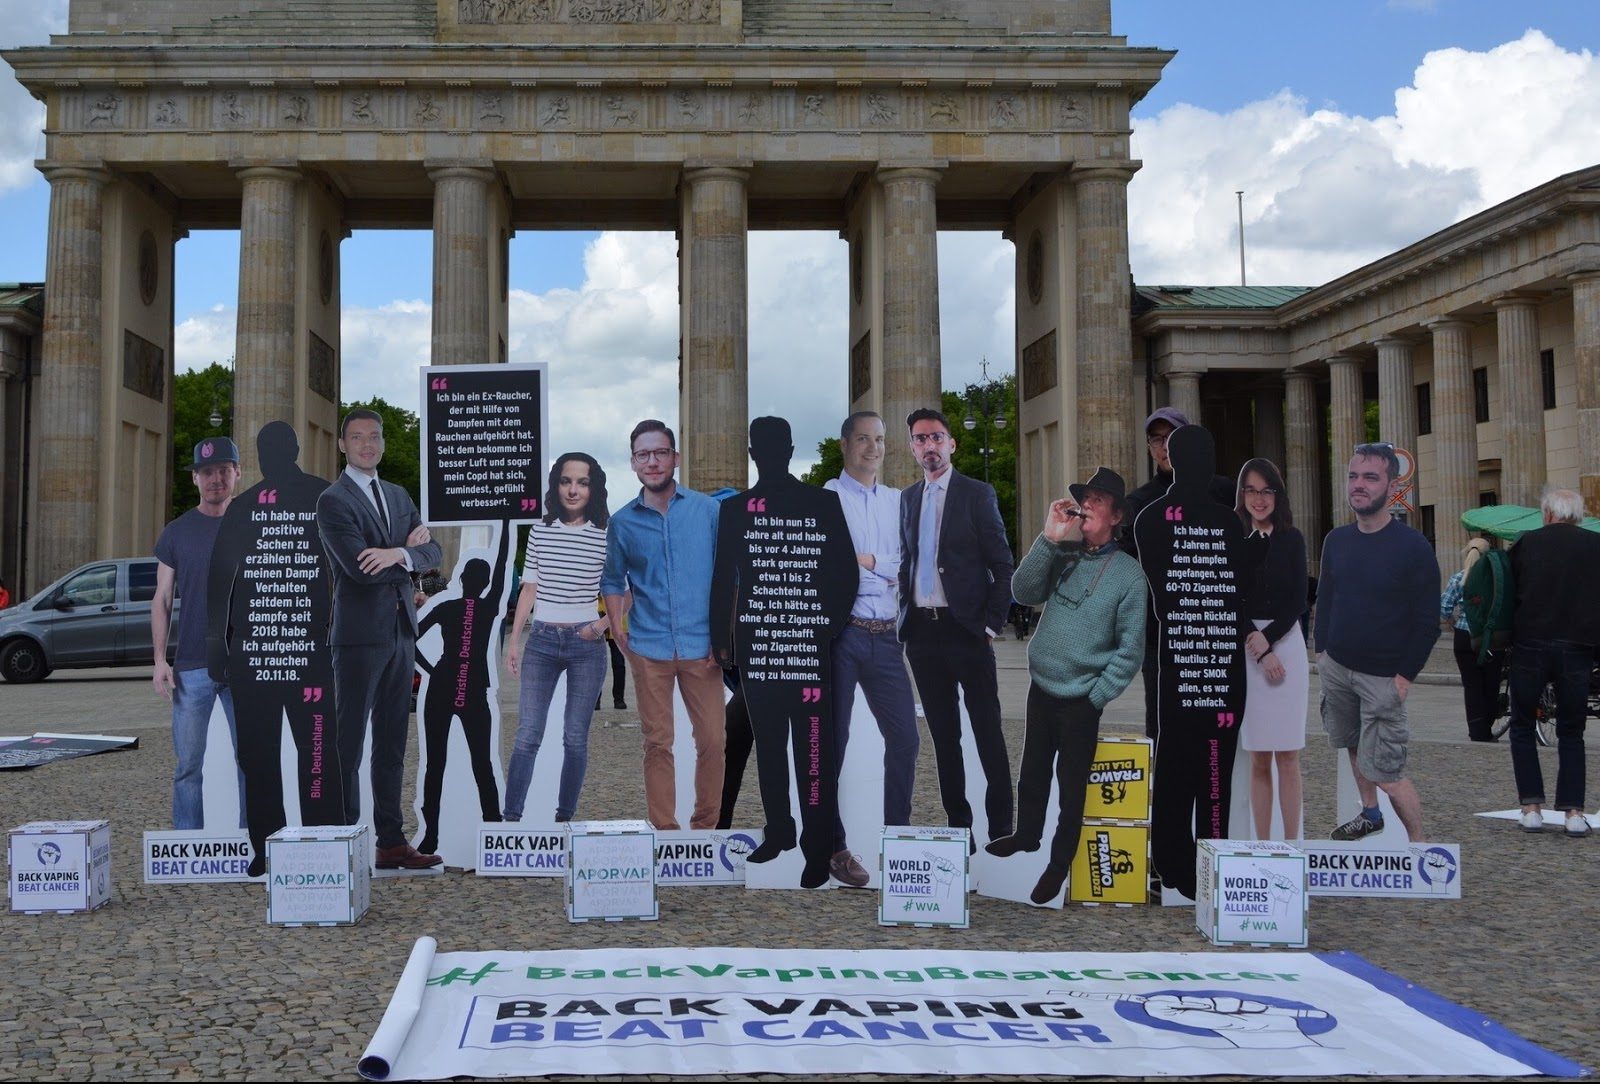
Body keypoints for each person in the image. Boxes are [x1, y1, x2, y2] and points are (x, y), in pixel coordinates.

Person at [711, 416, 856, 887]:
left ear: (762, 451)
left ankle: (809, 844)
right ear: (781, 450)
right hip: (775, 647)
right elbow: (724, 580)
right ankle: (785, 834)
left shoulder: (818, 503)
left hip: (793, 645)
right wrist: (825, 625)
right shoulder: (740, 510)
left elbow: (844, 572)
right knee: (786, 748)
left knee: (803, 748)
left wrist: (824, 627)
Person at [991, 468, 1146, 905]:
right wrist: (1049, 538)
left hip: (1082, 698)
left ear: (1116, 516)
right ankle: (1026, 836)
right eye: (1087, 498)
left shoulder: (1129, 577)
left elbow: (1130, 650)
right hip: (1042, 687)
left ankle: (1059, 864)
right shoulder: (1064, 553)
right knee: (1033, 773)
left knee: (1071, 784)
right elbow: (1022, 593)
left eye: (1099, 500)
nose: (1089, 505)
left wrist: (1096, 696)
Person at [208, 422, 345, 876]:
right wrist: (217, 644)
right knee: (260, 754)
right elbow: (221, 580)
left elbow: (347, 568)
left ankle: (321, 838)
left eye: (275, 449)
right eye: (267, 450)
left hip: (308, 649)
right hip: (259, 652)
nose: (271, 457)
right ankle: (268, 846)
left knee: (315, 748)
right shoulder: (247, 507)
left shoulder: (324, 499)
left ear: (291, 451)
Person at [316, 408, 443, 870]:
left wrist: (397, 553)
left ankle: (390, 843)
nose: (367, 444)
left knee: (391, 745)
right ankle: (343, 843)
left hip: (402, 633)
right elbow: (357, 567)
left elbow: (434, 553)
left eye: (374, 436)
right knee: (347, 746)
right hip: (357, 638)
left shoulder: (397, 494)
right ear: (342, 445)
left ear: (383, 443)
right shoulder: (333, 501)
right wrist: (409, 558)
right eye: (357, 437)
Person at [601, 420, 725, 830]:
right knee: (657, 743)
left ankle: (705, 827)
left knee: (712, 740)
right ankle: (665, 832)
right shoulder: (622, 522)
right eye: (643, 454)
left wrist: (723, 636)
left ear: (674, 457)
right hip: (649, 647)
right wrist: (619, 630)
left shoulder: (709, 512)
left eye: (660, 453)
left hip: (702, 647)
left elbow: (729, 575)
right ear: (633, 462)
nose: (652, 462)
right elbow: (612, 578)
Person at [899, 407, 1015, 847]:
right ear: (912, 447)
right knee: (945, 738)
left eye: (937, 437)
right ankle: (959, 827)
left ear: (952, 444)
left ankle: (1002, 829)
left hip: (967, 630)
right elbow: (908, 563)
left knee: (987, 731)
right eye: (921, 438)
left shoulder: (977, 493)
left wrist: (991, 624)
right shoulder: (908, 498)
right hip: (923, 635)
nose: (929, 445)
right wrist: (902, 617)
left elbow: (1002, 563)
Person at [1315, 442, 1438, 842]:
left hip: (1385, 675)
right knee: (1350, 744)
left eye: (1370, 477)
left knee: (1388, 771)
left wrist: (1405, 676)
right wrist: (1322, 652)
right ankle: (1370, 813)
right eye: (1353, 476)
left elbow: (1426, 620)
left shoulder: (1413, 547)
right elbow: (1327, 597)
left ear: (1391, 484)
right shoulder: (1337, 540)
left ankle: (1419, 848)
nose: (1359, 485)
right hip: (1337, 667)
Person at [823, 411, 920, 888]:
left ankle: (898, 840)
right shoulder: (825, 499)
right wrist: (878, 566)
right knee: (832, 743)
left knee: (906, 739)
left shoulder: (898, 501)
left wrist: (871, 561)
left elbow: (911, 565)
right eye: (863, 439)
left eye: (879, 439)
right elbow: (830, 565)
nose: (872, 448)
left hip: (886, 635)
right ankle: (835, 846)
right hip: (842, 634)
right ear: (844, 444)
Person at [501, 454, 613, 824]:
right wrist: (514, 641)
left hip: (587, 645)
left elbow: (623, 592)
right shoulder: (540, 531)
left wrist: (600, 626)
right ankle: (511, 821)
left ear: (592, 487)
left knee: (575, 737)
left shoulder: (606, 534)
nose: (573, 488)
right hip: (543, 640)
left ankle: (565, 820)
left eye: (582, 481)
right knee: (528, 734)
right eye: (566, 480)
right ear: (556, 485)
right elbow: (529, 589)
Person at [1124, 406, 1237, 740]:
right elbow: (1129, 569)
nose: (1164, 446)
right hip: (1162, 634)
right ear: (1150, 448)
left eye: (1172, 437)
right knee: (1164, 720)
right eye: (1157, 439)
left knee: (1214, 723)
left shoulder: (1224, 492)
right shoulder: (1139, 502)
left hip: (1214, 633)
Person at [152, 437, 247, 831]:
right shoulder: (176, 532)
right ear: (195, 478)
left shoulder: (255, 525)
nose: (215, 479)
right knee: (188, 765)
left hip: (245, 663)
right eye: (207, 472)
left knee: (251, 762)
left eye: (224, 470)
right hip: (192, 664)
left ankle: (252, 842)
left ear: (237, 474)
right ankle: (186, 845)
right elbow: (162, 599)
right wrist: (159, 660)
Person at [1507, 487, 1600, 837]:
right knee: (1572, 730)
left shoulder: (1526, 544)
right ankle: (1574, 813)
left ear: (1547, 514)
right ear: (1578, 516)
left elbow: (1509, 595)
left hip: (1530, 643)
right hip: (1577, 646)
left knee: (1521, 725)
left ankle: (1531, 807)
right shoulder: (1595, 546)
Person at [414, 520, 509, 851]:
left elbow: (410, 637)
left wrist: (430, 670)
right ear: (480, 583)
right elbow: (501, 570)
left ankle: (432, 835)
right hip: (468, 688)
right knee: (479, 763)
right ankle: (491, 826)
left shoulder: (454, 607)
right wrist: (506, 522)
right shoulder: (486, 605)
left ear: (465, 580)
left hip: (445, 683)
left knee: (438, 764)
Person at [1234, 457, 1309, 841]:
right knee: (1259, 755)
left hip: (1287, 642)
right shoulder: (1235, 540)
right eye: (1251, 490)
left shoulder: (1292, 539)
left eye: (1266, 490)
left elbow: (1299, 598)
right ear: (1242, 494)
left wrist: (1272, 640)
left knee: (1289, 755)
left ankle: (1291, 842)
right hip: (1249, 649)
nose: (1259, 499)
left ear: (1277, 495)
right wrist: (1259, 649)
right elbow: (1231, 599)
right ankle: (1263, 844)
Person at [1439, 537, 1504, 743]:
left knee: (1472, 686)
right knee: (1491, 684)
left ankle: (1476, 730)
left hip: (1464, 638)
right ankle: (1486, 725)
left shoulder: (1458, 578)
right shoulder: (1496, 580)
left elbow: (1443, 608)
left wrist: (1454, 620)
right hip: (1492, 638)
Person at [594, 595, 628, 711]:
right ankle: (595, 700)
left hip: (618, 621)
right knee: (597, 665)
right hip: (597, 618)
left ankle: (619, 699)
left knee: (619, 664)